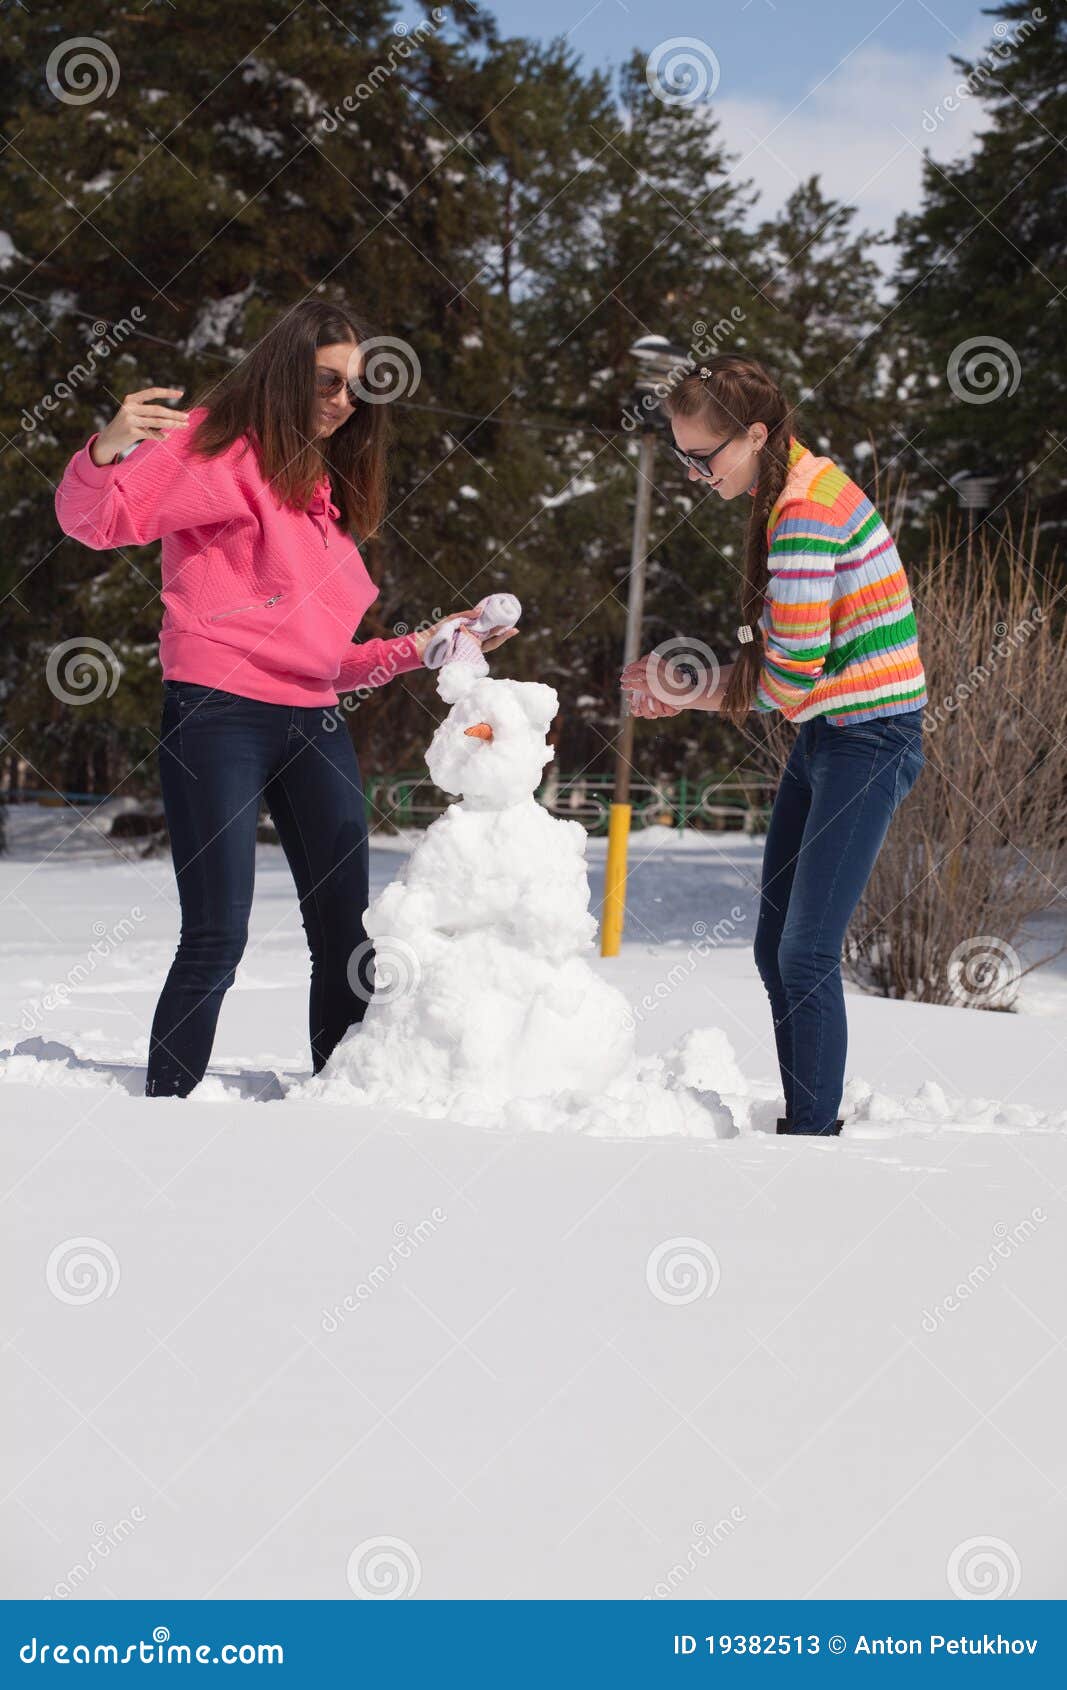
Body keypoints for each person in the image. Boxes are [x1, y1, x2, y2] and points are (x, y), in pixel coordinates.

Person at [54, 299, 517, 1099]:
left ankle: (340, 1098)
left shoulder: (324, 506)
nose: (342, 400)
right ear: (281, 373)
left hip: (313, 721)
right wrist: (107, 448)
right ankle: (163, 1106)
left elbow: (326, 663)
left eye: (355, 387)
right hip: (216, 714)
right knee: (218, 931)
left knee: (345, 932)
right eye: (325, 381)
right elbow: (99, 521)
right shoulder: (221, 450)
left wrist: (423, 644)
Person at [621, 353, 927, 1138]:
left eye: (702, 456)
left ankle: (813, 1137)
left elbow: (789, 679)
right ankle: (806, 1111)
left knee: (806, 950)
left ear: (754, 435)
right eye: (683, 455)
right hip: (830, 730)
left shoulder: (805, 511)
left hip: (868, 735)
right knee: (774, 945)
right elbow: (793, 676)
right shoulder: (788, 487)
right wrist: (695, 682)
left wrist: (685, 688)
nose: (693, 473)